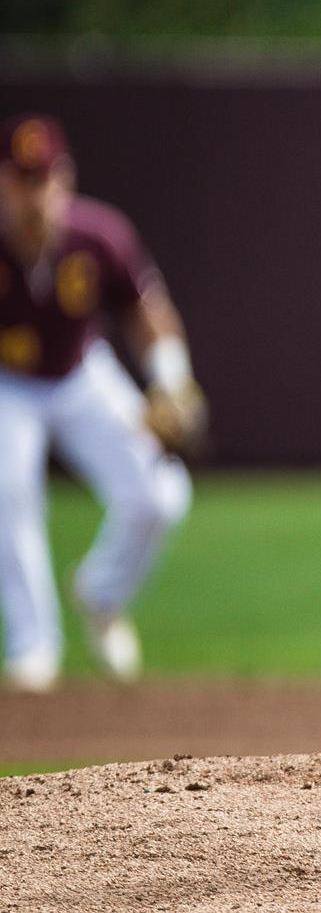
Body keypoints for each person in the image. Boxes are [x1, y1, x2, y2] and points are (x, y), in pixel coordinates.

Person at [0, 114, 205, 693]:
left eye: (43, 179)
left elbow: (147, 311)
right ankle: (33, 651)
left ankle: (101, 593)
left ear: (64, 180)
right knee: (8, 491)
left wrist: (171, 380)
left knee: (160, 494)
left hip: (78, 373)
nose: (34, 195)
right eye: (21, 180)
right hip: (8, 385)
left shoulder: (99, 235)